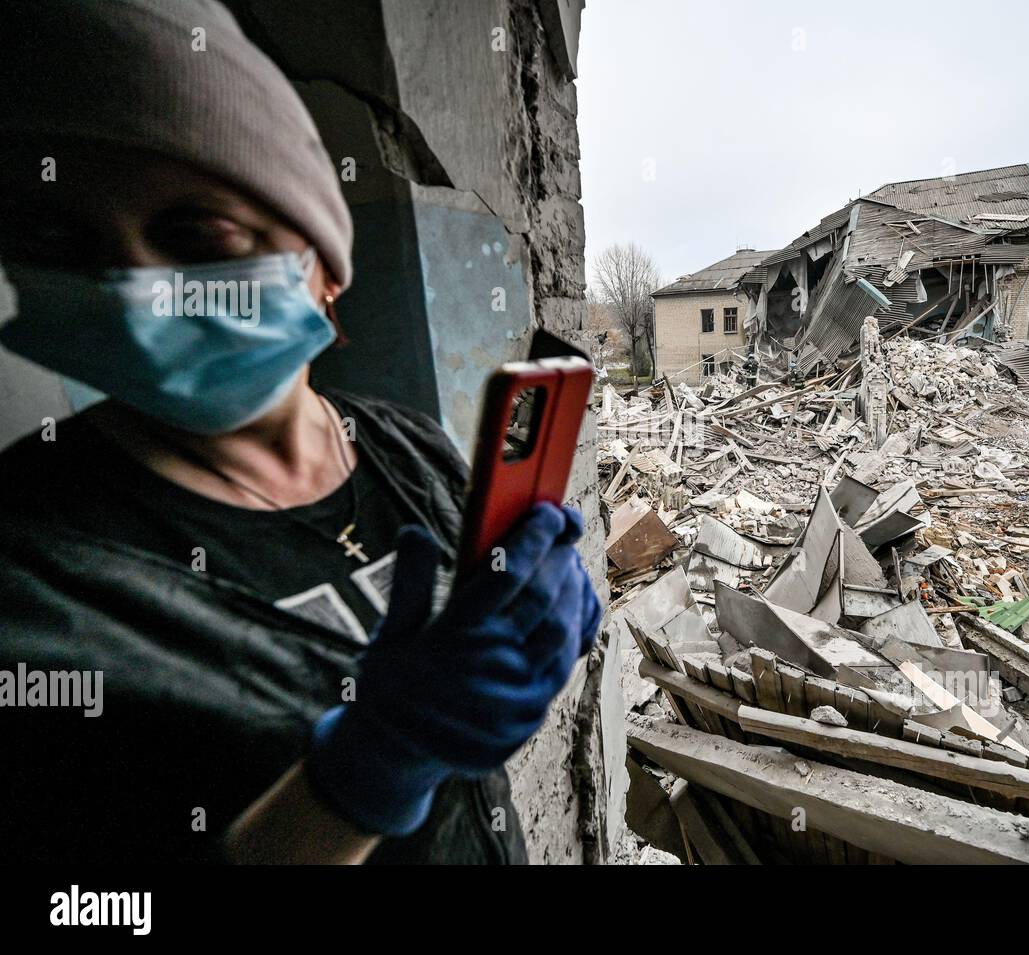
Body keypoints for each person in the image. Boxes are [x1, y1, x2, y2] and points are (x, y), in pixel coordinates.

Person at [0, 0, 600, 864]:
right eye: (62, 239)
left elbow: (481, 686)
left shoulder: (405, 448)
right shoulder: (36, 581)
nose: (135, 288)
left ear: (321, 264)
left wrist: (537, 623)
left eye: (197, 235)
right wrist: (360, 777)